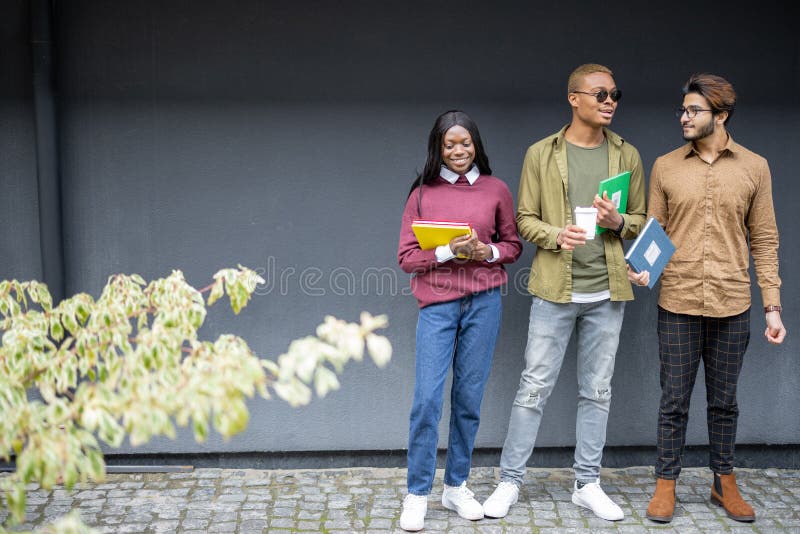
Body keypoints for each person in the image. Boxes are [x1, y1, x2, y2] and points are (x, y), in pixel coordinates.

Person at [483, 63, 646, 521]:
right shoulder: (542, 153)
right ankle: (509, 481)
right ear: (574, 98)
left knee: (597, 391)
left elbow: (640, 219)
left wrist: (619, 222)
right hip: (555, 290)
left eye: (615, 94)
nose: (610, 102)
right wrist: (557, 235)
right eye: (600, 94)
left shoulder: (627, 155)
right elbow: (524, 219)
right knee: (534, 387)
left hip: (607, 292)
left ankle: (587, 483)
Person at [639, 73, 786, 524]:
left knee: (725, 402)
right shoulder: (665, 166)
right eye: (682, 110)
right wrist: (643, 268)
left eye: (693, 110)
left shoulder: (755, 167)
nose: (683, 117)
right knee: (673, 401)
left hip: (732, 301)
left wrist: (772, 306)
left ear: (720, 116)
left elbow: (764, 238)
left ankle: (724, 482)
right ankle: (666, 483)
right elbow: (655, 231)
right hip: (678, 301)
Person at [397, 110, 522, 531]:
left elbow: (512, 245)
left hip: (484, 303)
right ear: (438, 147)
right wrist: (450, 250)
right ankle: (417, 493)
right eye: (449, 144)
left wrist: (487, 252)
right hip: (437, 305)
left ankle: (456, 486)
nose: (458, 150)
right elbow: (407, 258)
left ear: (475, 145)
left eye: (464, 143)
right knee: (427, 400)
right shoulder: (422, 193)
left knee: (468, 400)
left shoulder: (496, 189)